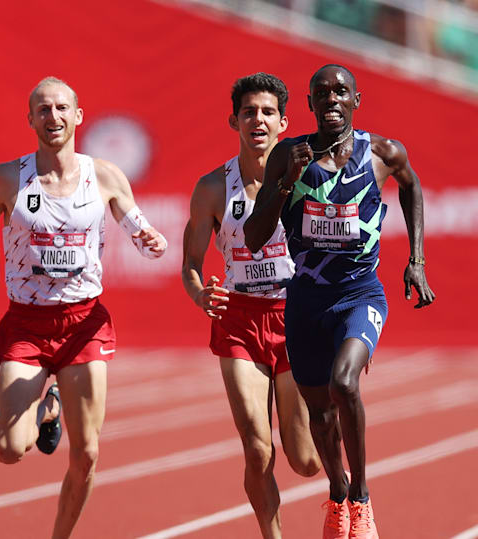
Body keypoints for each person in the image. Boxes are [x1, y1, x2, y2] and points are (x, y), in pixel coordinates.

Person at [0, 76, 167, 538]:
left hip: (84, 325)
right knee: (10, 450)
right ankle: (46, 406)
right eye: (43, 109)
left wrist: (152, 241)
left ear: (78, 116)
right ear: (30, 119)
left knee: (87, 453)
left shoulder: (106, 176)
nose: (52, 117)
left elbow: (144, 236)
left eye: (61, 108)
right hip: (27, 326)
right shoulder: (7, 178)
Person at [244, 64, 435, 539]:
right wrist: (288, 179)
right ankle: (338, 492)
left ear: (356, 100)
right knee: (320, 414)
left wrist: (417, 259)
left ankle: (364, 500)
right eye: (322, 93)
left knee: (344, 383)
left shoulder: (384, 153)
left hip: (359, 294)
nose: (332, 99)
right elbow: (253, 236)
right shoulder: (287, 154)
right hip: (306, 300)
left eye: (341, 92)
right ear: (309, 104)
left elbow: (411, 187)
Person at [181, 72, 321, 539]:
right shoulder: (212, 188)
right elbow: (191, 266)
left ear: (284, 122)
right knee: (259, 449)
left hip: (297, 317)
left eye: (266, 112)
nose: (257, 119)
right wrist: (201, 293)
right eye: (248, 112)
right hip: (239, 321)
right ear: (234, 120)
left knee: (304, 460)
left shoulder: (310, 180)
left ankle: (335, 427)